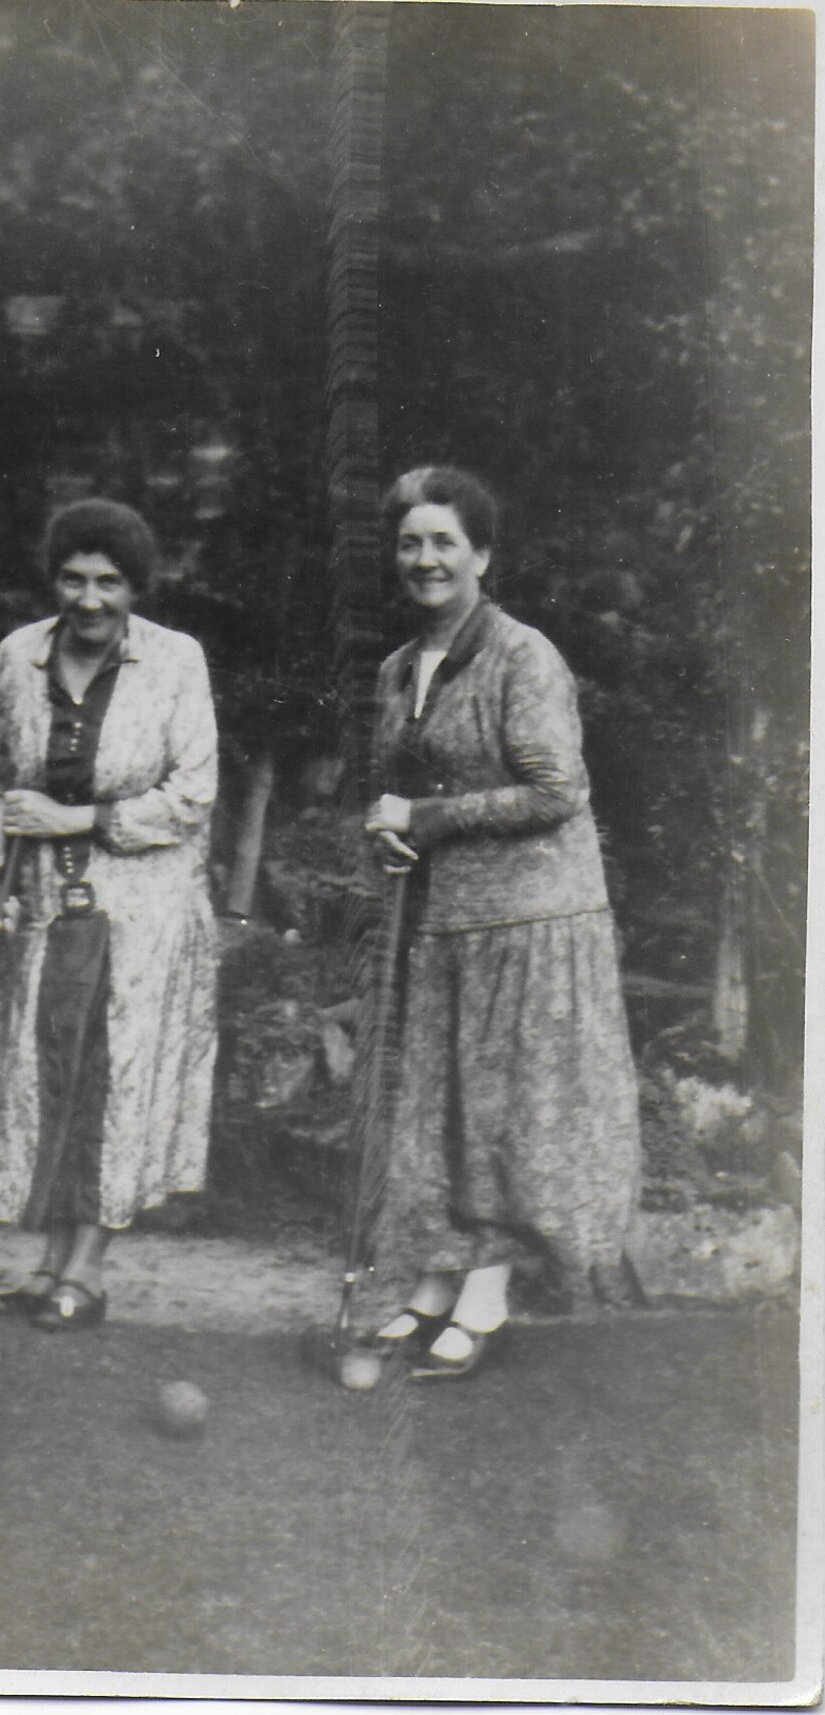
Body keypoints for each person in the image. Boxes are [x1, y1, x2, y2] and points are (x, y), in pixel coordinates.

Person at [363, 466, 640, 1380]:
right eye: (411, 542)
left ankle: (485, 1294)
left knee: (498, 1112)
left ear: (482, 553)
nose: (426, 559)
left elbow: (558, 789)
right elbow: (397, 792)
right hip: (443, 922)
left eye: (445, 541)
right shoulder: (399, 668)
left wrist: (427, 821)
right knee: (441, 1106)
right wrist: (389, 829)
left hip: (532, 919)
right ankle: (435, 1284)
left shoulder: (524, 656)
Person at [0, 497, 218, 1330]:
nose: (91, 599)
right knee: (50, 1068)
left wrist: (78, 820)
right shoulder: (15, 657)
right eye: (73, 578)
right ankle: (47, 1266)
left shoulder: (177, 662)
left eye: (110, 581)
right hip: (41, 905)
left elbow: (192, 796)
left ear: (137, 585)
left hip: (144, 911)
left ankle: (89, 1269)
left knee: (116, 1075)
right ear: (54, 581)